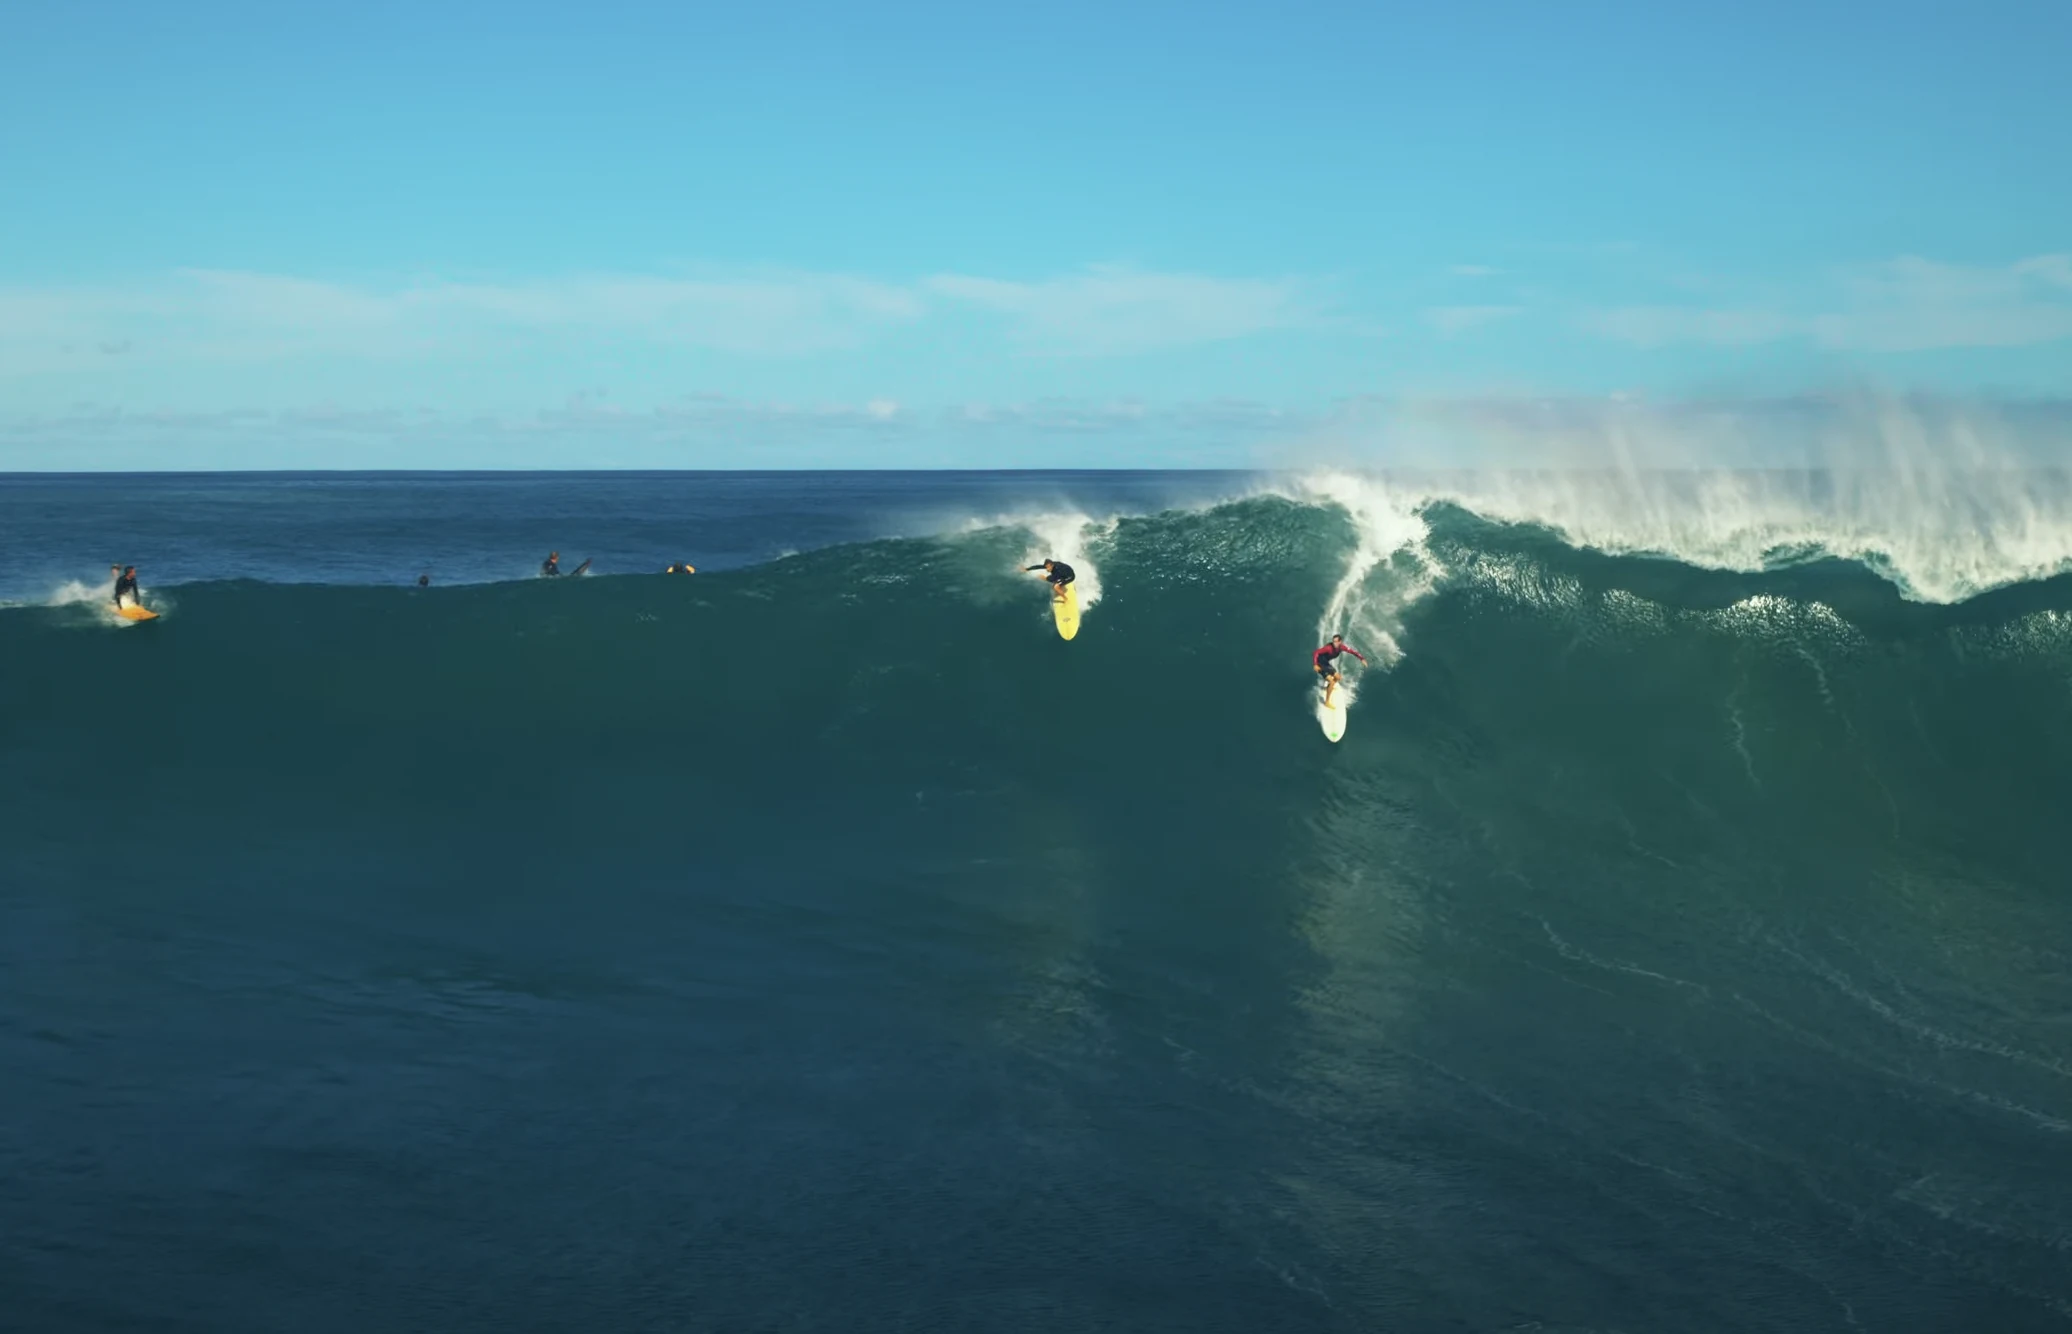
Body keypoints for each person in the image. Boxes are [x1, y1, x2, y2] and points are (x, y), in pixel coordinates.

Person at [1313, 634, 1368, 708]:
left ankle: (1327, 688)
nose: (1334, 643)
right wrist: (1315, 664)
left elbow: (1353, 652)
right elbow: (1316, 652)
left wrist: (1362, 659)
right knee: (1331, 681)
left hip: (1326, 664)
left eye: (1336, 641)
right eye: (1333, 641)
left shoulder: (1342, 647)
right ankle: (1327, 702)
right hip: (1319, 663)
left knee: (1338, 678)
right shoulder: (1328, 648)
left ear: (1340, 642)